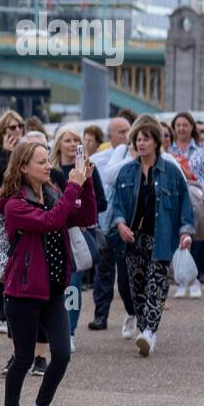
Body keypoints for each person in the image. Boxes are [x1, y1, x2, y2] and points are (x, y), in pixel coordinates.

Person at [0, 140, 96, 406]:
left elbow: (85, 217)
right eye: (41, 162)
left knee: (63, 355)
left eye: (48, 160)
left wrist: (86, 182)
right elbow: (51, 222)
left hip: (53, 289)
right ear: (23, 167)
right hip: (23, 291)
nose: (48, 165)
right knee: (23, 358)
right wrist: (73, 187)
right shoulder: (14, 203)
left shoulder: (53, 193)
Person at [110, 117, 194, 356]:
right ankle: (144, 328)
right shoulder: (126, 172)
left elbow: (184, 205)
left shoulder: (171, 172)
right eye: (138, 139)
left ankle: (149, 334)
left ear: (156, 141)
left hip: (161, 237)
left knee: (156, 286)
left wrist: (185, 232)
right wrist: (120, 224)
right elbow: (117, 204)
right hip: (132, 239)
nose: (142, 143)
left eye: (146, 138)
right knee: (137, 290)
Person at [52, 125, 107, 338]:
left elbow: (100, 203)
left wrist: (80, 197)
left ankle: (70, 331)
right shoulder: (50, 170)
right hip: (54, 231)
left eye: (76, 141)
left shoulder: (89, 169)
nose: (73, 145)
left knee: (73, 284)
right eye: (68, 140)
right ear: (59, 143)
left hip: (78, 233)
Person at [88, 114, 136, 333]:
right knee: (104, 271)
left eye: (129, 131)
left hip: (126, 221)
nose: (127, 136)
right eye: (122, 132)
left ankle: (132, 310)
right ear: (110, 136)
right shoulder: (99, 159)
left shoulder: (137, 155)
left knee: (126, 273)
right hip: (104, 221)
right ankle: (100, 315)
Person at [0, 110, 25, 333]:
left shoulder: (28, 149)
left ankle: (18, 312)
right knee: (4, 263)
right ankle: (4, 315)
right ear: (3, 131)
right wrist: (7, 155)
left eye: (20, 126)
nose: (17, 130)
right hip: (4, 213)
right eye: (12, 127)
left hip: (25, 210)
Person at [169, 111, 204, 298]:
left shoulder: (202, 149)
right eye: (178, 125)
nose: (181, 128)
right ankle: (181, 279)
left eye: (185, 125)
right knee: (178, 235)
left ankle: (195, 279)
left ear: (192, 127)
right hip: (175, 197)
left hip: (197, 197)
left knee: (195, 237)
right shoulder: (168, 150)